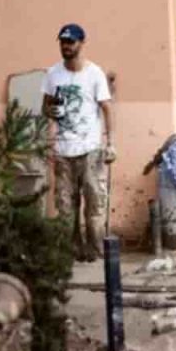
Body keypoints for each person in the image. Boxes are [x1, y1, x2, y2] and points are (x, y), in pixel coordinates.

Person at [41, 23, 115, 261]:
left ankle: (95, 252)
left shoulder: (94, 74)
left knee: (94, 205)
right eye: (63, 42)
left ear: (82, 44)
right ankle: (72, 252)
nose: (66, 47)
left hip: (90, 149)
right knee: (65, 207)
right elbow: (45, 106)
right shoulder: (53, 74)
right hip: (63, 150)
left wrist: (110, 142)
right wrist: (51, 113)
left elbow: (106, 108)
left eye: (71, 42)